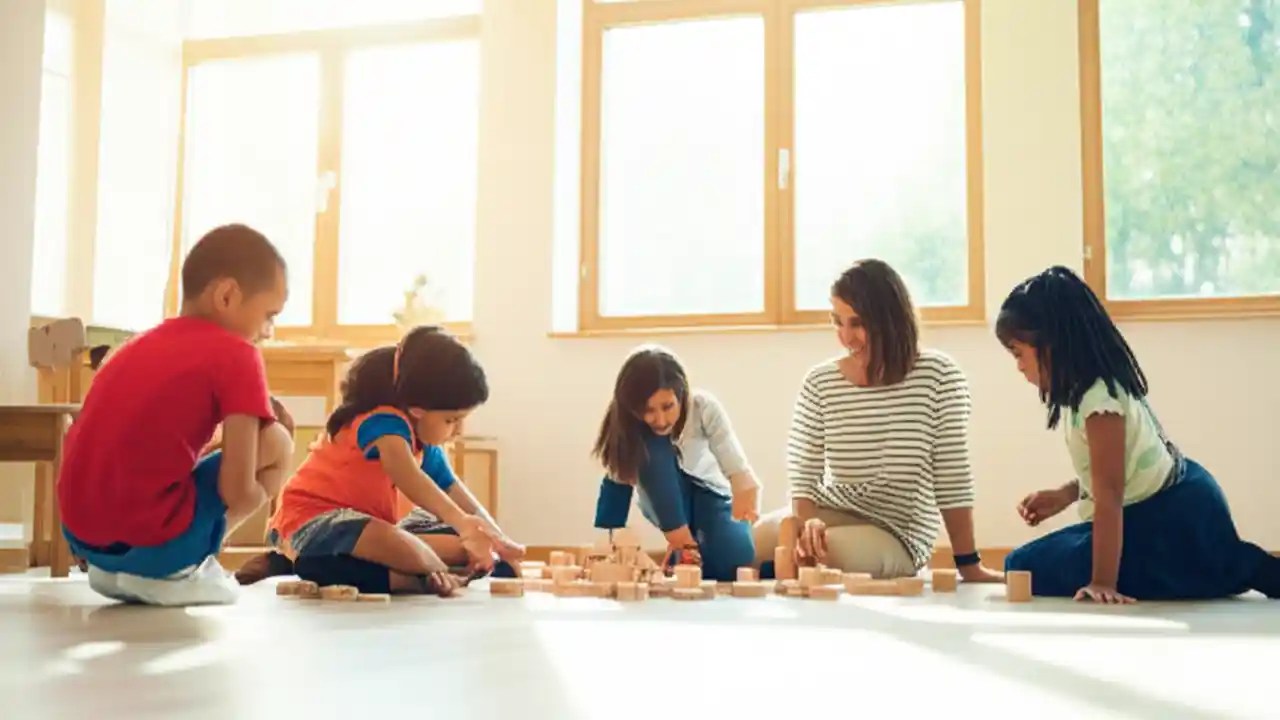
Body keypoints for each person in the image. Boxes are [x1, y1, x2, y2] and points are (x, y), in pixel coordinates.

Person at [998, 266, 1280, 602]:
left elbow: (1111, 494)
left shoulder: (1099, 402)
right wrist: (1066, 494)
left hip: (1173, 518)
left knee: (1024, 566)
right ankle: (1219, 562)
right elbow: (1117, 473)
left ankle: (1213, 565)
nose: (1018, 366)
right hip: (1170, 503)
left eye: (1018, 353)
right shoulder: (1088, 389)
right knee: (1020, 564)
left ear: (1052, 344)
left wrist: (1102, 582)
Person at [58, 224, 295, 606]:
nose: (268, 331)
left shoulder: (134, 346)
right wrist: (244, 500)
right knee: (278, 442)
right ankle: (185, 565)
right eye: (269, 315)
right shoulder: (239, 355)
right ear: (227, 295)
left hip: (86, 543)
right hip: (154, 546)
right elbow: (236, 489)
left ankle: (133, 568)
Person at [754, 259, 1003, 582]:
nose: (846, 337)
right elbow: (804, 468)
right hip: (835, 509)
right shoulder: (821, 381)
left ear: (889, 321)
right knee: (752, 542)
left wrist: (968, 564)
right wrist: (807, 520)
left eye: (857, 324)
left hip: (896, 529)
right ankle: (789, 564)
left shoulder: (939, 376)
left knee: (827, 555)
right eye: (837, 322)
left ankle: (791, 570)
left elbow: (951, 473)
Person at [267, 326, 525, 596]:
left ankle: (431, 573)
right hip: (312, 523)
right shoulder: (382, 422)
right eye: (451, 420)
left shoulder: (423, 438)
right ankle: (438, 574)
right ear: (418, 410)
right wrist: (463, 526)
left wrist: (496, 539)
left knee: (448, 536)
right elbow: (406, 474)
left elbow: (455, 491)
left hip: (373, 531)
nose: (459, 431)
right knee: (393, 540)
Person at [592, 346, 759, 581]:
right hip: (662, 497)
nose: (660, 420)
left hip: (709, 493)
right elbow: (617, 483)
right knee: (652, 443)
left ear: (681, 393)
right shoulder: (630, 428)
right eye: (648, 411)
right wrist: (609, 545)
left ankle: (691, 558)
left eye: (668, 406)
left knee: (732, 560)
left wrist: (743, 484)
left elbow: (734, 462)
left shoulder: (703, 407)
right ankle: (681, 544)